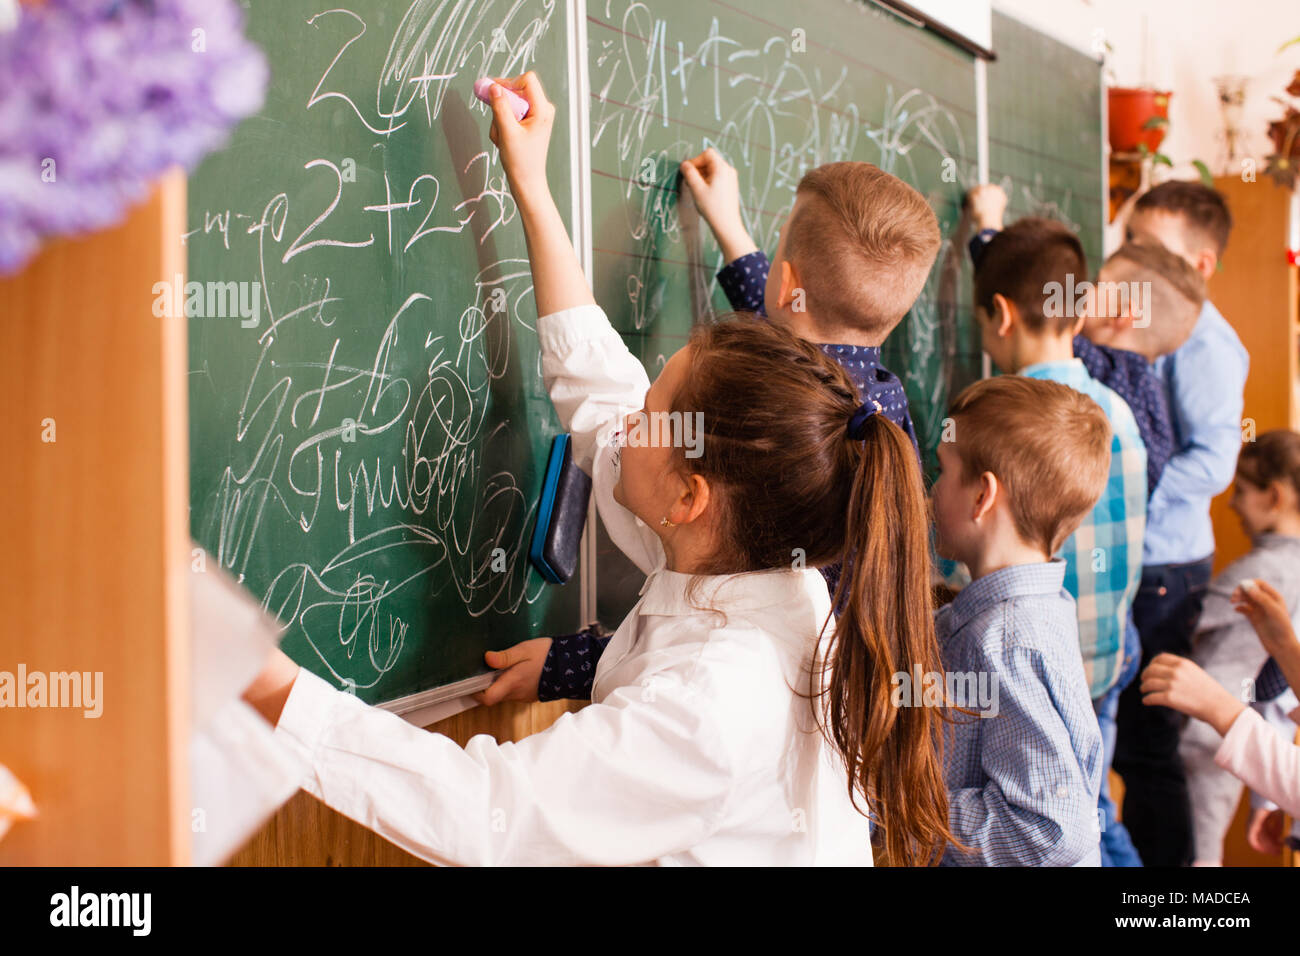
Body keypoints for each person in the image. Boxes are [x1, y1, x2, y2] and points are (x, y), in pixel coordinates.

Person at [237, 72, 954, 866]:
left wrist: (264, 683)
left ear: (689, 498)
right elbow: (597, 388)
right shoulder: (756, 563)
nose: (626, 426)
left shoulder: (719, 701)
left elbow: (489, 814)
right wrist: (532, 190)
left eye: (651, 416)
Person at [1115, 180, 1249, 867]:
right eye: (1127, 241)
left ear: (1195, 267)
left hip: (1165, 567)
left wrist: (1132, 493)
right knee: (1131, 741)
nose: (1128, 257)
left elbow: (1213, 462)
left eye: (1146, 247)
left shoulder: (1207, 345)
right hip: (1146, 559)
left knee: (1148, 745)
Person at [930, 375, 1108, 865]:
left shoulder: (1007, 640)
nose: (932, 490)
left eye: (942, 472)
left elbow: (1047, 827)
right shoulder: (1036, 609)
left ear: (983, 496)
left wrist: (908, 805)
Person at [1177, 430, 1300, 865]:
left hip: (1207, 732)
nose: (1231, 504)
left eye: (1241, 491)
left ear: (1275, 496)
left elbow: (1183, 626)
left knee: (1195, 854)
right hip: (1230, 735)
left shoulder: (1264, 570)